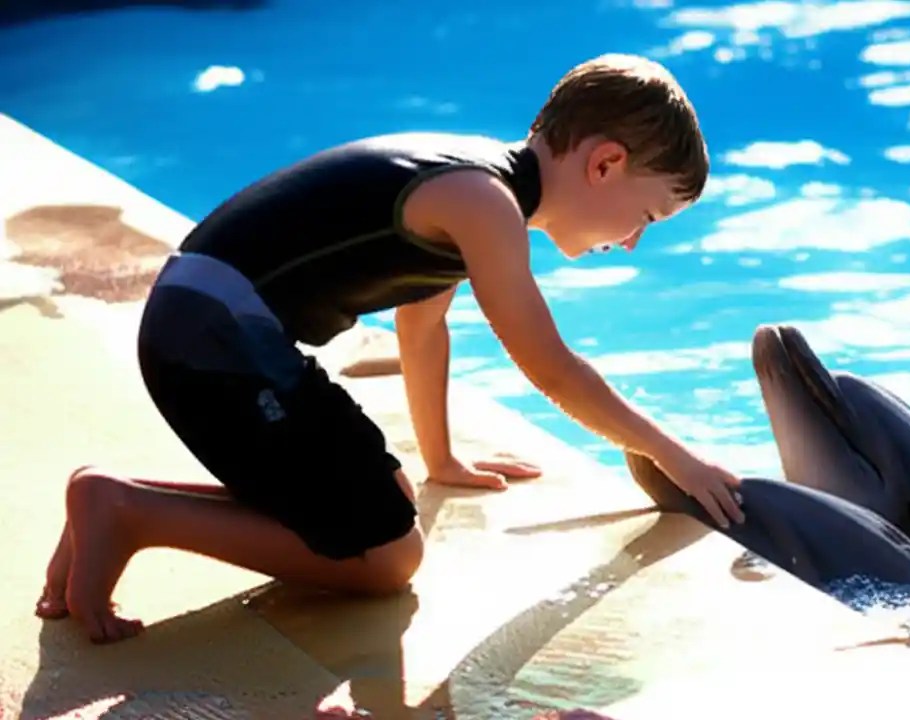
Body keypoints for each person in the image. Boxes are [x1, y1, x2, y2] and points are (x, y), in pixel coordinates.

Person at [34, 53, 746, 649]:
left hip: (209, 328)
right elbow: (550, 367)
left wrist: (441, 460)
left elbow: (422, 325)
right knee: (388, 557)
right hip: (212, 345)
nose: (633, 241)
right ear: (605, 164)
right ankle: (130, 513)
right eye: (646, 216)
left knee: (388, 501)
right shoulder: (484, 203)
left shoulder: (475, 182)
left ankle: (113, 502)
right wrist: (674, 455)